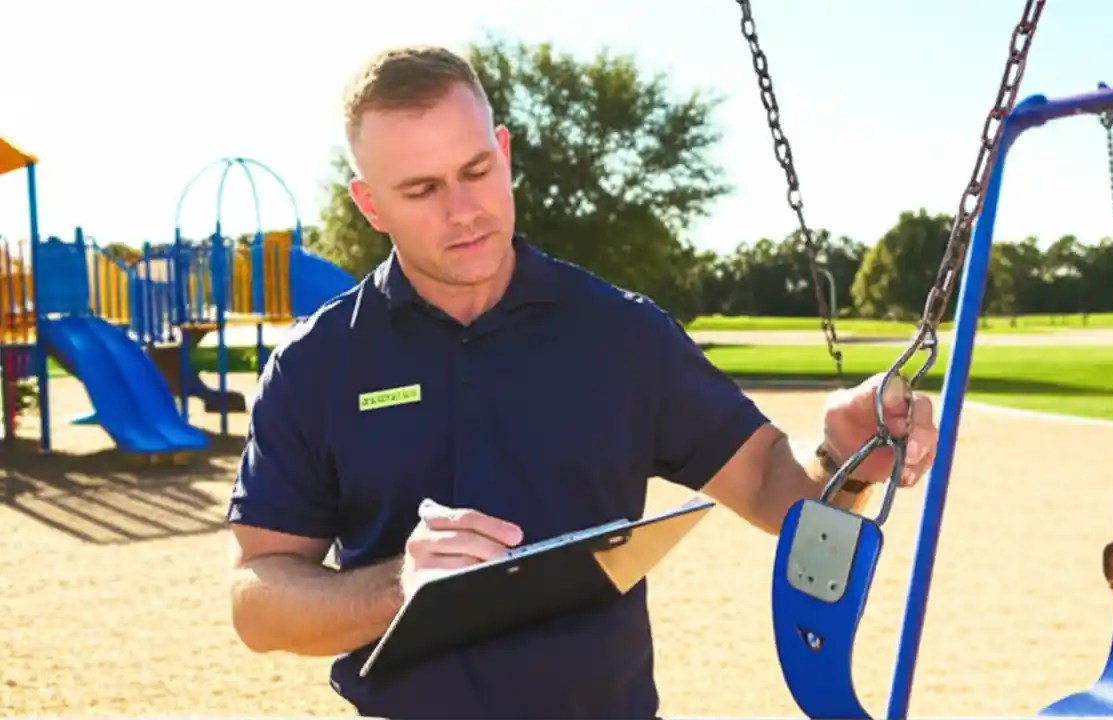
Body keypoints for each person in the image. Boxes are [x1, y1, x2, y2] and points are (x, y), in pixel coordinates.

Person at [225, 44, 939, 720]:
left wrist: (847, 458)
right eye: (421, 189)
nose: (463, 209)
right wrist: (399, 587)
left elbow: (772, 492)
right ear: (370, 205)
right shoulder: (317, 363)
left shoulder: (622, 333)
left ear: (503, 153)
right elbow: (257, 600)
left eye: (476, 170)